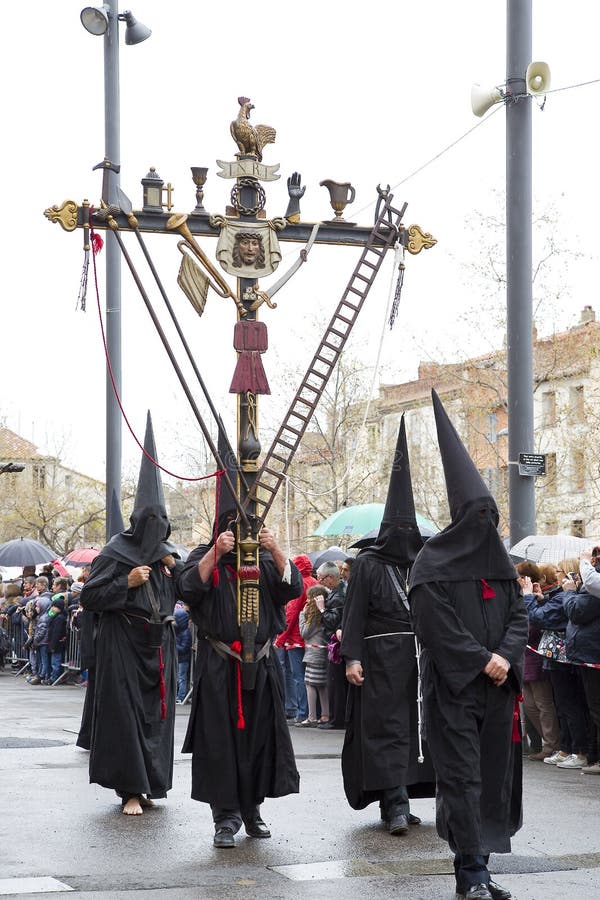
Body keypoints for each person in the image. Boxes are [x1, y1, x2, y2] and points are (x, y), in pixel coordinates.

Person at [409, 390, 528, 900]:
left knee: (490, 776)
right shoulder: (430, 565)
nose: (485, 523)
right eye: (477, 514)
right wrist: (482, 661)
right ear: (461, 515)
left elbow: (519, 615)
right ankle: (472, 871)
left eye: (490, 514)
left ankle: (478, 867)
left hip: (497, 689)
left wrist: (504, 657)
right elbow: (438, 628)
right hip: (455, 690)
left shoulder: (501, 565)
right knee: (461, 777)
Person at [177, 515, 302, 849]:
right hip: (219, 665)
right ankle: (225, 818)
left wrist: (275, 549)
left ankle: (252, 810)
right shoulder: (204, 554)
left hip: (262, 664)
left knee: (259, 741)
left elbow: (293, 588)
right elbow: (188, 588)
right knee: (219, 742)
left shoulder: (265, 558)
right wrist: (216, 552)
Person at [79, 412, 180, 815]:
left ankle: (151, 783)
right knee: (127, 717)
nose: (156, 527)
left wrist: (175, 568)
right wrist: (127, 583)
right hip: (123, 644)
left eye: (161, 520)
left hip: (160, 646)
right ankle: (130, 791)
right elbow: (90, 596)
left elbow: (190, 591)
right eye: (150, 520)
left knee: (158, 717)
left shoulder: (168, 556)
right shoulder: (116, 551)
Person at [341, 416, 436, 835]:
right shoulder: (368, 564)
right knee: (388, 729)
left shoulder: (423, 562)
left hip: (417, 658)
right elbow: (353, 614)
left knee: (416, 727)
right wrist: (352, 658)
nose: (403, 536)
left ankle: (403, 797)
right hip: (380, 659)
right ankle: (394, 803)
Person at [515, 561, 560, 761]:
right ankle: (549, 742)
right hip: (524, 659)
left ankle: (553, 745)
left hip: (537, 657)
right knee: (530, 706)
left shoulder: (535, 598)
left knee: (544, 704)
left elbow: (533, 623)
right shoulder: (520, 597)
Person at [273, 553, 315, 724]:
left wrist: (280, 639)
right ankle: (310, 712)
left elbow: (291, 614)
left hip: (295, 637)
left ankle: (300, 711)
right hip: (311, 638)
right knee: (311, 678)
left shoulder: (299, 584)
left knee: (296, 676)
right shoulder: (314, 582)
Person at [317, 560, 347, 730]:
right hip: (336, 643)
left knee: (336, 683)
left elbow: (332, 621)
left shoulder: (339, 595)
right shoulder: (338, 592)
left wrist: (322, 609)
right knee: (335, 682)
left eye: (321, 579)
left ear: (330, 577)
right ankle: (336, 717)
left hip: (336, 644)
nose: (320, 582)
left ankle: (337, 719)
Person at [298, 584, 330, 726]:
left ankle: (312, 717)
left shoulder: (313, 617)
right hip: (323, 653)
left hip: (314, 654)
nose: (306, 601)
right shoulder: (324, 614)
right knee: (322, 685)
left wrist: (302, 615)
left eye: (309, 598)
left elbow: (304, 633)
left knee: (310, 684)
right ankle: (325, 715)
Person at [47, 594, 68, 684]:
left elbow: (56, 632)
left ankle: (54, 678)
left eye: (54, 606)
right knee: (55, 661)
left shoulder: (59, 618)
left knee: (55, 662)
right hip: (56, 643)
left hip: (57, 644)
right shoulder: (58, 617)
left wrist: (53, 645)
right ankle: (54, 677)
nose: (52, 608)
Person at [174, 600, 192, 704]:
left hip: (183, 660)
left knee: (181, 678)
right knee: (178, 678)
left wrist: (174, 646)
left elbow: (184, 648)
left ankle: (180, 696)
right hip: (179, 658)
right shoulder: (179, 631)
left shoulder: (186, 633)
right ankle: (177, 695)